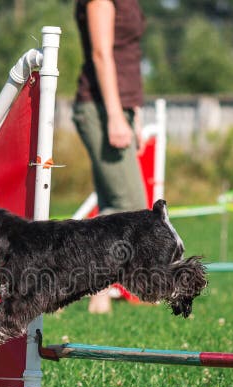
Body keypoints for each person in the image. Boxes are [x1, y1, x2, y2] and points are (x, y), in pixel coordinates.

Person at [73, 0, 147, 313]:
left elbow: (128, 57)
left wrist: (134, 114)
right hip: (101, 109)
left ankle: (97, 298)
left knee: (113, 206)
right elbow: (102, 55)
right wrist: (116, 116)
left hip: (120, 107)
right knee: (129, 206)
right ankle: (79, 285)